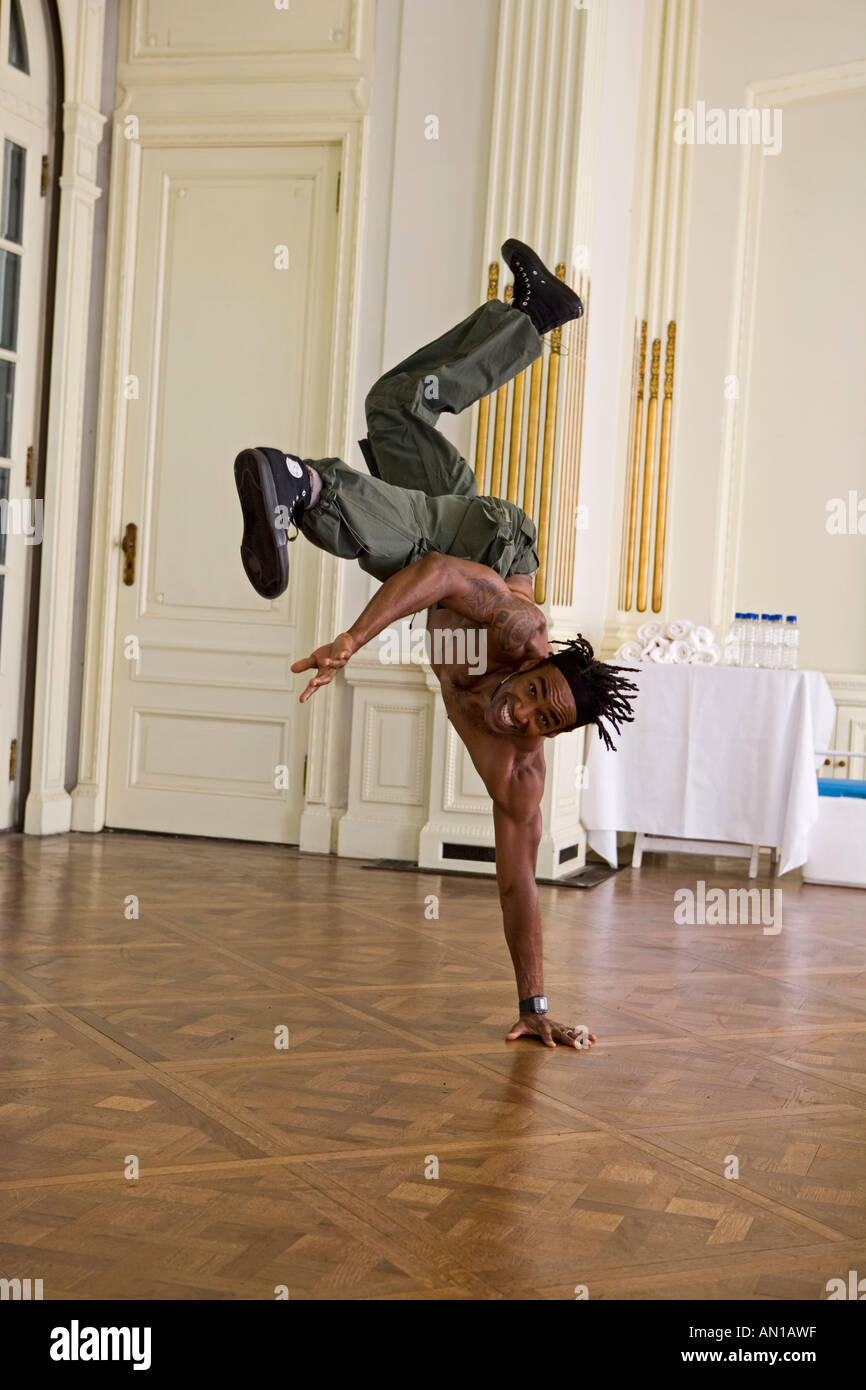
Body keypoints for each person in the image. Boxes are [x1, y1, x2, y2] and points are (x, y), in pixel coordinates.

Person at [233, 239, 639, 1050]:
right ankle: (299, 484)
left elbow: (520, 885)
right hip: (493, 543)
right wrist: (352, 638)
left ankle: (532, 317)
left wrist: (534, 1009)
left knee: (393, 408)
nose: (518, 711)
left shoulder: (519, 773)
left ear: (548, 738)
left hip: (458, 536)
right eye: (532, 691)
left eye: (538, 720)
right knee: (414, 542)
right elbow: (435, 572)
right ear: (535, 662)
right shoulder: (514, 628)